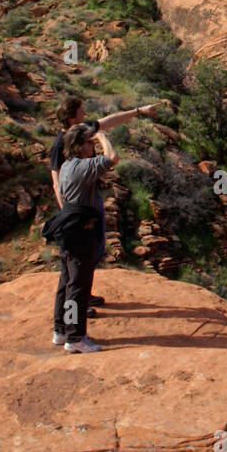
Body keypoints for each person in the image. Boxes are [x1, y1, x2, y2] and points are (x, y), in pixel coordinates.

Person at [47, 97, 162, 310]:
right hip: (75, 207)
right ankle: (75, 305)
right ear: (72, 118)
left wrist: (139, 110)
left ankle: (83, 294)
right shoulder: (59, 145)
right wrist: (69, 215)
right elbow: (56, 184)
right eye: (81, 112)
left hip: (90, 200)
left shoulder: (81, 130)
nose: (85, 115)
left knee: (93, 249)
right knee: (77, 258)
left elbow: (108, 121)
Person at [42, 122, 118, 353]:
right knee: (78, 286)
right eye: (89, 142)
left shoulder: (66, 166)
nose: (92, 146)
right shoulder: (83, 167)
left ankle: (60, 330)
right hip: (81, 232)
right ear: (78, 145)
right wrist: (103, 136)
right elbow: (113, 157)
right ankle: (75, 337)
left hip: (68, 229)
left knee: (65, 283)